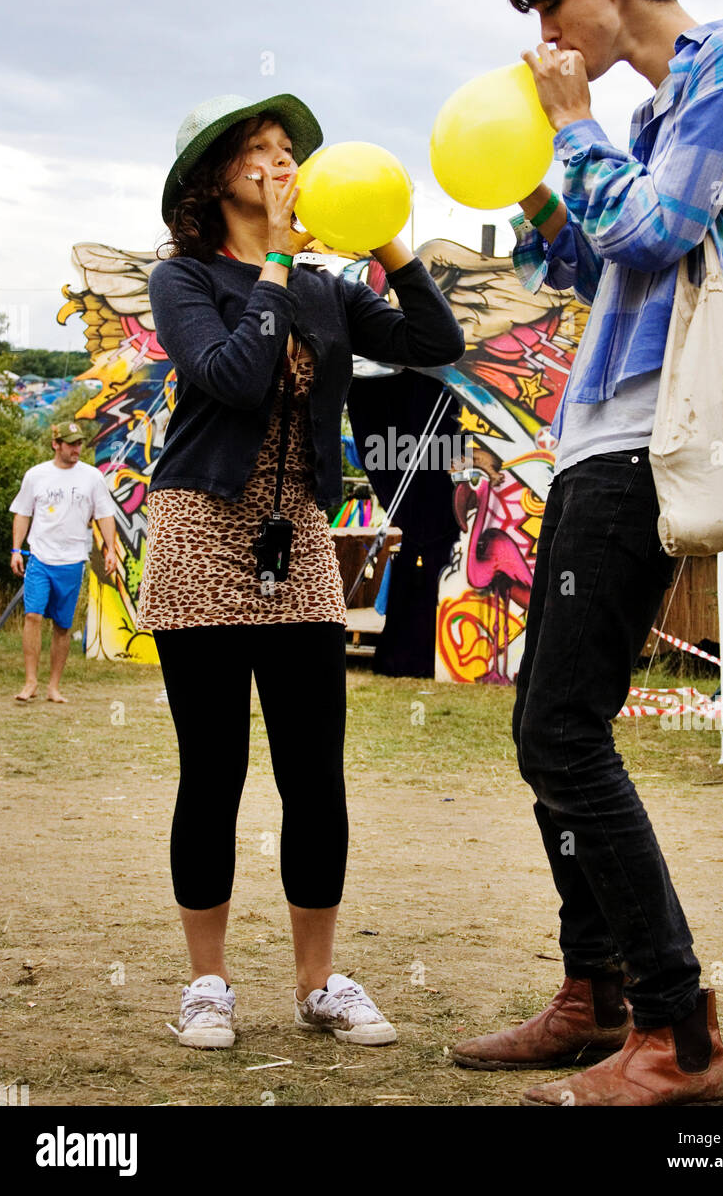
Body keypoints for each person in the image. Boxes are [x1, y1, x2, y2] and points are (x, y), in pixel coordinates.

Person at [452, 0, 723, 1107]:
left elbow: (654, 231)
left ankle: (677, 1031)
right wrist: (540, 170)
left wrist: (568, 127)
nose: (548, 37)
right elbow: (582, 258)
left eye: (551, 5)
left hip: (649, 440)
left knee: (559, 728)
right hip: (591, 437)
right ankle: (593, 992)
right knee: (543, 728)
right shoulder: (652, 109)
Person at [136, 93, 463, 1050]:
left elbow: (435, 346)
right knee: (215, 772)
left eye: (291, 155)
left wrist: (393, 248)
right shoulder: (185, 280)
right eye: (263, 153)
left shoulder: (328, 291)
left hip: (301, 542)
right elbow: (233, 377)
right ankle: (208, 983)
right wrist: (277, 259)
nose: (284, 166)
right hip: (201, 531)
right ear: (218, 181)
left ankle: (318, 984)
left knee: (314, 775)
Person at [8, 421, 117, 702]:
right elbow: (22, 513)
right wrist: (16, 550)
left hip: (72, 560)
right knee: (32, 615)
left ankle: (53, 686)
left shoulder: (92, 477)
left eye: (79, 443)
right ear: (56, 444)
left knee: (62, 625)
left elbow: (105, 515)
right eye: (71, 443)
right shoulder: (36, 475)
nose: (76, 448)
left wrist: (110, 550)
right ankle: (30, 681)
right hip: (41, 557)